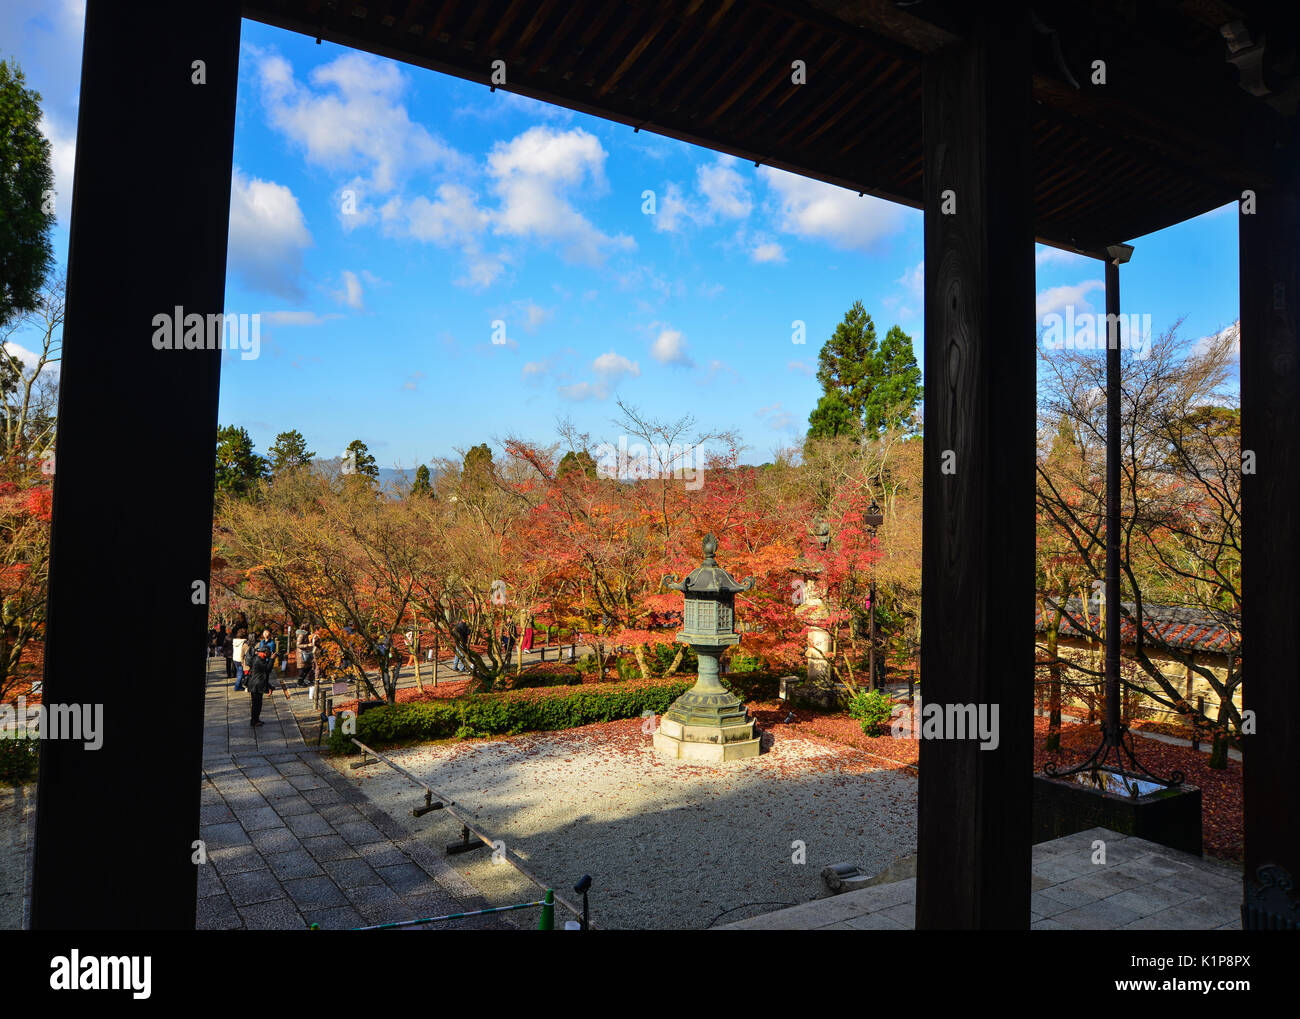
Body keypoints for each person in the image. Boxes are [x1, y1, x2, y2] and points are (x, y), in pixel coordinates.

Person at [247, 628, 278, 727]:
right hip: (256, 685)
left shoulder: (259, 658)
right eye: (268, 653)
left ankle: (255, 720)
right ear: (263, 652)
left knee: (257, 705)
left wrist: (269, 686)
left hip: (256, 683)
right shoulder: (259, 660)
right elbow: (267, 669)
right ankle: (254, 721)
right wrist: (272, 660)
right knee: (256, 705)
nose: (269, 654)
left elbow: (263, 674)